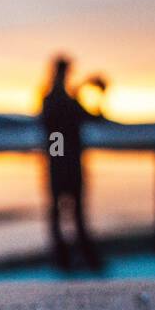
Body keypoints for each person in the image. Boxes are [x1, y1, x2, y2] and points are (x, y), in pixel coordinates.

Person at [39, 55, 103, 271]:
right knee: (67, 214)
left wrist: (96, 95)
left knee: (71, 214)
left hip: (65, 165)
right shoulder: (56, 100)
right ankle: (69, 259)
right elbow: (56, 127)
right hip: (64, 166)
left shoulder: (60, 99)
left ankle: (74, 258)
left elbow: (95, 117)